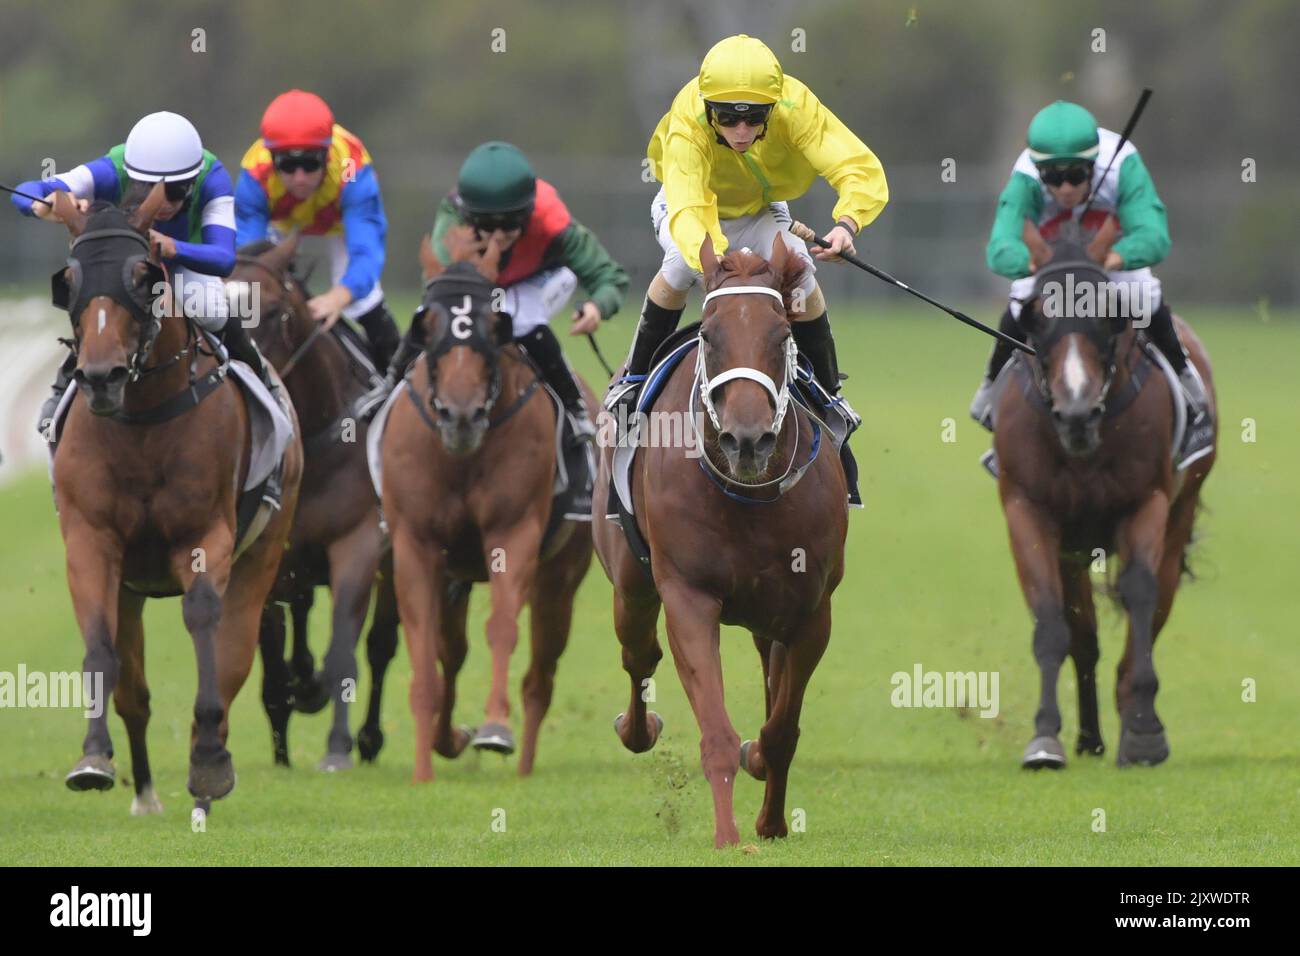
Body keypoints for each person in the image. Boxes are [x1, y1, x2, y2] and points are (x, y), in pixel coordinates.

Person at [606, 34, 889, 506]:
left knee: (800, 268)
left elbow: (855, 165)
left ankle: (827, 391)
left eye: (754, 118)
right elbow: (691, 207)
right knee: (679, 265)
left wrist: (846, 224)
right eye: (729, 117)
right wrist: (720, 266)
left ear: (772, 109)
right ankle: (633, 387)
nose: (741, 129)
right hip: (688, 205)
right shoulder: (686, 120)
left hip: (759, 207)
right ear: (709, 108)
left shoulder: (796, 105)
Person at [970, 100, 1213, 464]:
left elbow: (1153, 234)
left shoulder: (1123, 163)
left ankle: (1191, 392)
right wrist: (1037, 265)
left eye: (1076, 175)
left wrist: (1110, 260)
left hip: (1111, 261)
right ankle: (990, 394)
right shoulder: (1024, 175)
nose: (1065, 187)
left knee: (1144, 298)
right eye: (1053, 177)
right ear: (1038, 168)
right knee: (1021, 305)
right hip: (1050, 265)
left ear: (1094, 163)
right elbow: (1000, 249)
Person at [11, 111, 273, 434]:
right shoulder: (111, 168)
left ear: (194, 180)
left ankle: (261, 386)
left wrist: (175, 248)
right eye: (145, 187)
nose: (159, 201)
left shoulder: (213, 177)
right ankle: (61, 390)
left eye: (174, 191)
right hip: (124, 270)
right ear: (130, 174)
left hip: (185, 267)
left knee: (211, 308)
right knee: (98, 311)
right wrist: (42, 202)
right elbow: (24, 191)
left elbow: (223, 258)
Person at [368, 140, 629, 442]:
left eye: (510, 225)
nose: (498, 237)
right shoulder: (452, 219)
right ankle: (388, 388)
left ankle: (576, 408)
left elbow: (610, 276)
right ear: (467, 216)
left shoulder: (551, 219)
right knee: (427, 314)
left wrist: (597, 306)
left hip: (542, 278)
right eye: (486, 226)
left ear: (529, 213)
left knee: (521, 316)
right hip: (480, 285)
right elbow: (439, 289)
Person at [235, 89, 400, 372]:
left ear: (327, 154)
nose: (299, 177)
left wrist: (340, 296)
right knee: (252, 301)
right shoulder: (255, 173)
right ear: (271, 159)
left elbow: (366, 249)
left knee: (364, 300)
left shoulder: (353, 168)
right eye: (287, 164)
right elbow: (247, 259)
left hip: (340, 224)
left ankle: (398, 376)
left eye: (310, 163)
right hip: (280, 226)